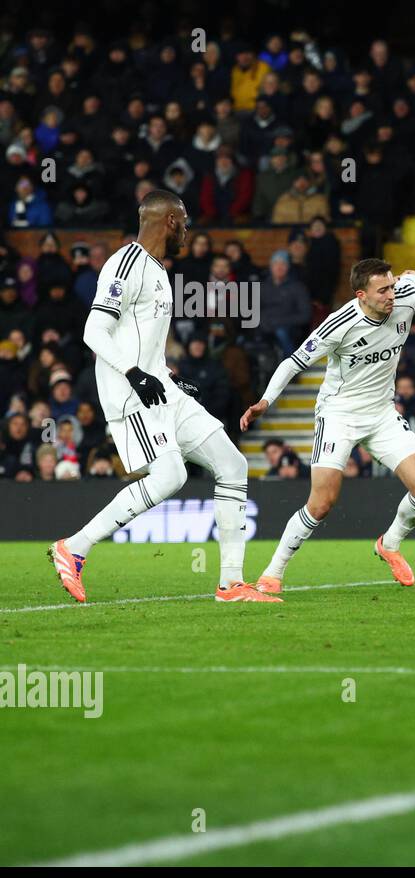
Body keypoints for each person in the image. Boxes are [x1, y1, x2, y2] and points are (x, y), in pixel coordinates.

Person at [48, 189, 278, 603]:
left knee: (232, 463)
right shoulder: (126, 263)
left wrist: (164, 373)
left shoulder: (156, 269)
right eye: (185, 222)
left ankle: (230, 585)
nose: (187, 231)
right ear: (170, 220)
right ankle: (75, 547)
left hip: (159, 388)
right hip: (130, 394)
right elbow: (94, 331)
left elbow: (139, 339)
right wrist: (136, 373)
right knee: (171, 476)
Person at [240, 260, 415, 592]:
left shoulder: (405, 295)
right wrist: (265, 401)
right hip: (339, 415)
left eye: (392, 286)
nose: (392, 294)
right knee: (321, 503)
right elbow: (293, 362)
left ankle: (389, 544)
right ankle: (273, 573)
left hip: (381, 413)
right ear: (361, 295)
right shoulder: (339, 324)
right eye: (383, 290)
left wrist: (409, 278)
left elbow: (414, 279)